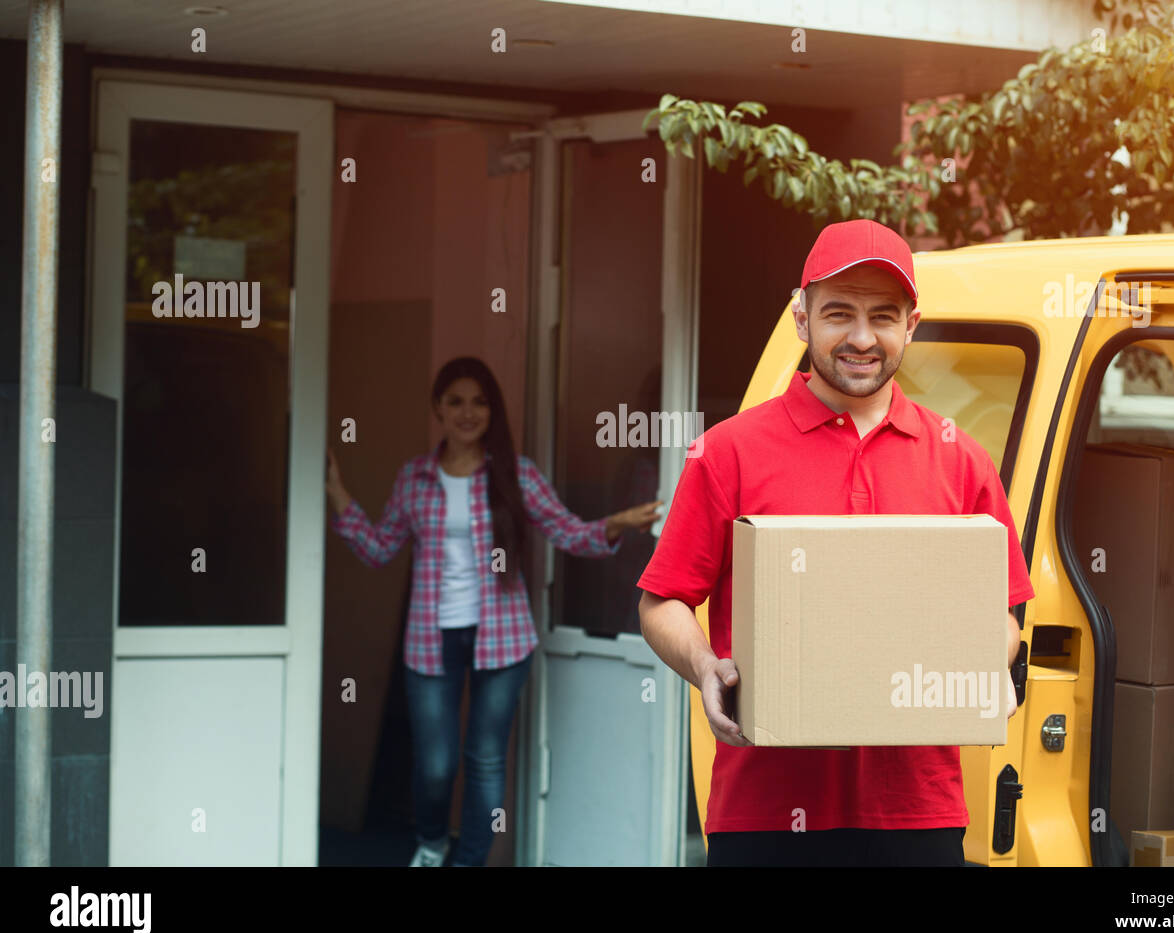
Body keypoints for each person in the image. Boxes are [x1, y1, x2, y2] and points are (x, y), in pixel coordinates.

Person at [637, 219, 1034, 867]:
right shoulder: (729, 452)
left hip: (916, 810)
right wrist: (705, 668)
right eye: (838, 313)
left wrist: (986, 665)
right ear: (801, 318)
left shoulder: (959, 460)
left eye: (882, 316)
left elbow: (1006, 612)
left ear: (911, 324)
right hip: (764, 809)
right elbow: (663, 601)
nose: (860, 337)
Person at [326, 356, 661, 866]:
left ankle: (469, 862)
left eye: (479, 402)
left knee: (484, 762)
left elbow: (569, 532)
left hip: (501, 642)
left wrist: (616, 522)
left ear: (492, 410)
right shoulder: (415, 477)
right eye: (455, 401)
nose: (467, 412)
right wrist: (338, 495)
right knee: (436, 765)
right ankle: (433, 844)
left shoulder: (515, 475)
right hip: (430, 642)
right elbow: (378, 548)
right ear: (437, 408)